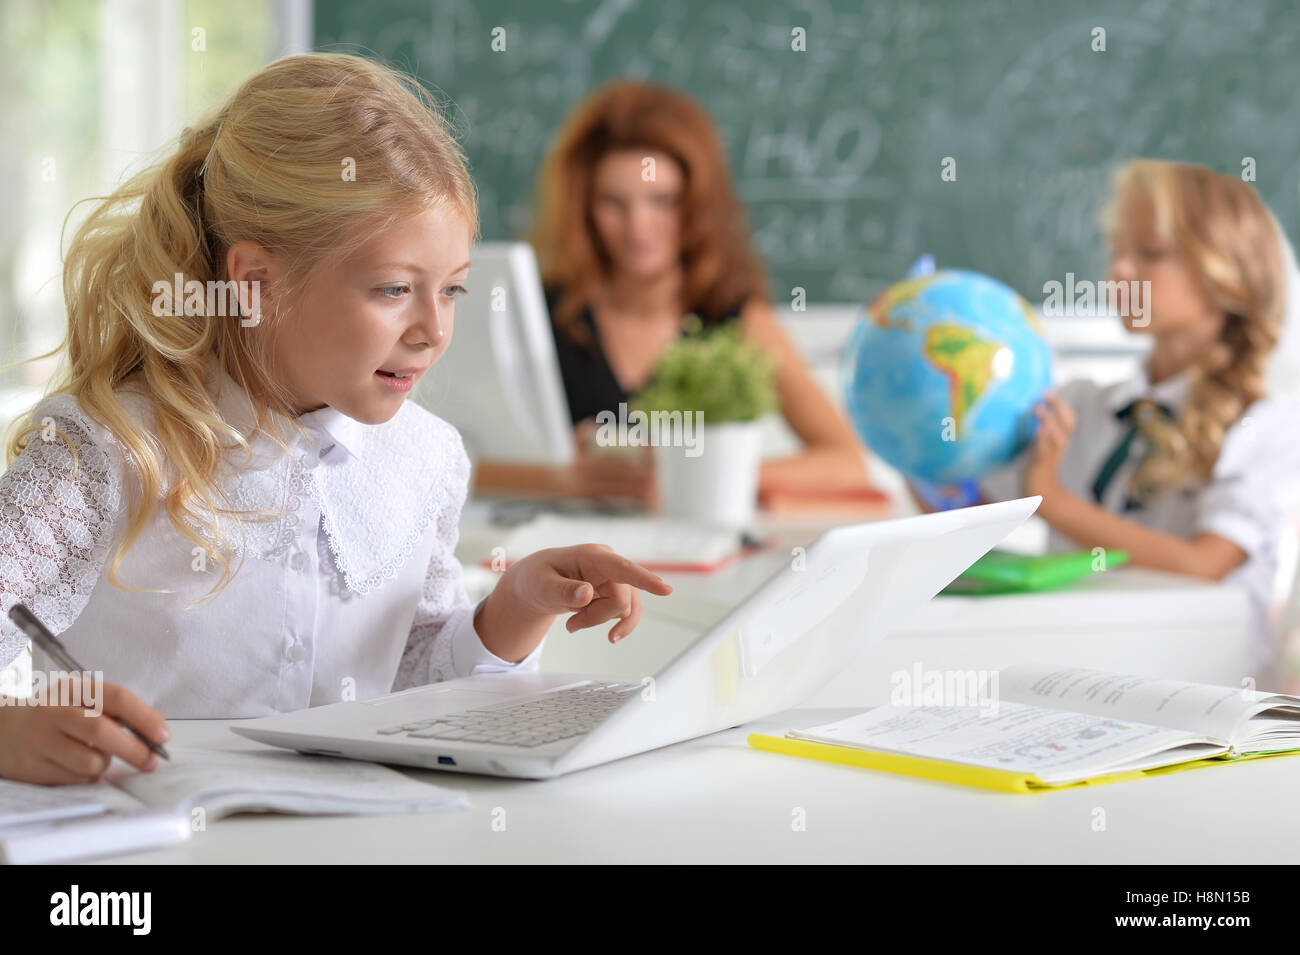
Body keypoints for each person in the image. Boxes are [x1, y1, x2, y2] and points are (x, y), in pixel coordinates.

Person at [0, 53, 670, 785]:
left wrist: (514, 607)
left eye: (451, 291)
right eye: (393, 289)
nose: (431, 330)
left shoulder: (425, 458)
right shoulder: (106, 447)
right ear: (256, 282)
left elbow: (413, 686)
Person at [472, 80, 871, 504]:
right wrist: (561, 479)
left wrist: (694, 475)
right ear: (584, 209)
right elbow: (453, 465)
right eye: (613, 203)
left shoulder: (734, 319)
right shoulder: (534, 314)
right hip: (565, 555)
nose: (638, 227)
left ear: (696, 205)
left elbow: (847, 461)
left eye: (661, 200)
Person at [981, 159, 1300, 682]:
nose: (1120, 272)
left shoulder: (1269, 424)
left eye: (1150, 253)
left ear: (1226, 268)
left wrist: (1053, 502)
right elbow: (972, 505)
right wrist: (920, 439)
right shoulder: (1081, 405)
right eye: (1117, 251)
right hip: (1079, 682)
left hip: (1208, 707)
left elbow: (1204, 566)